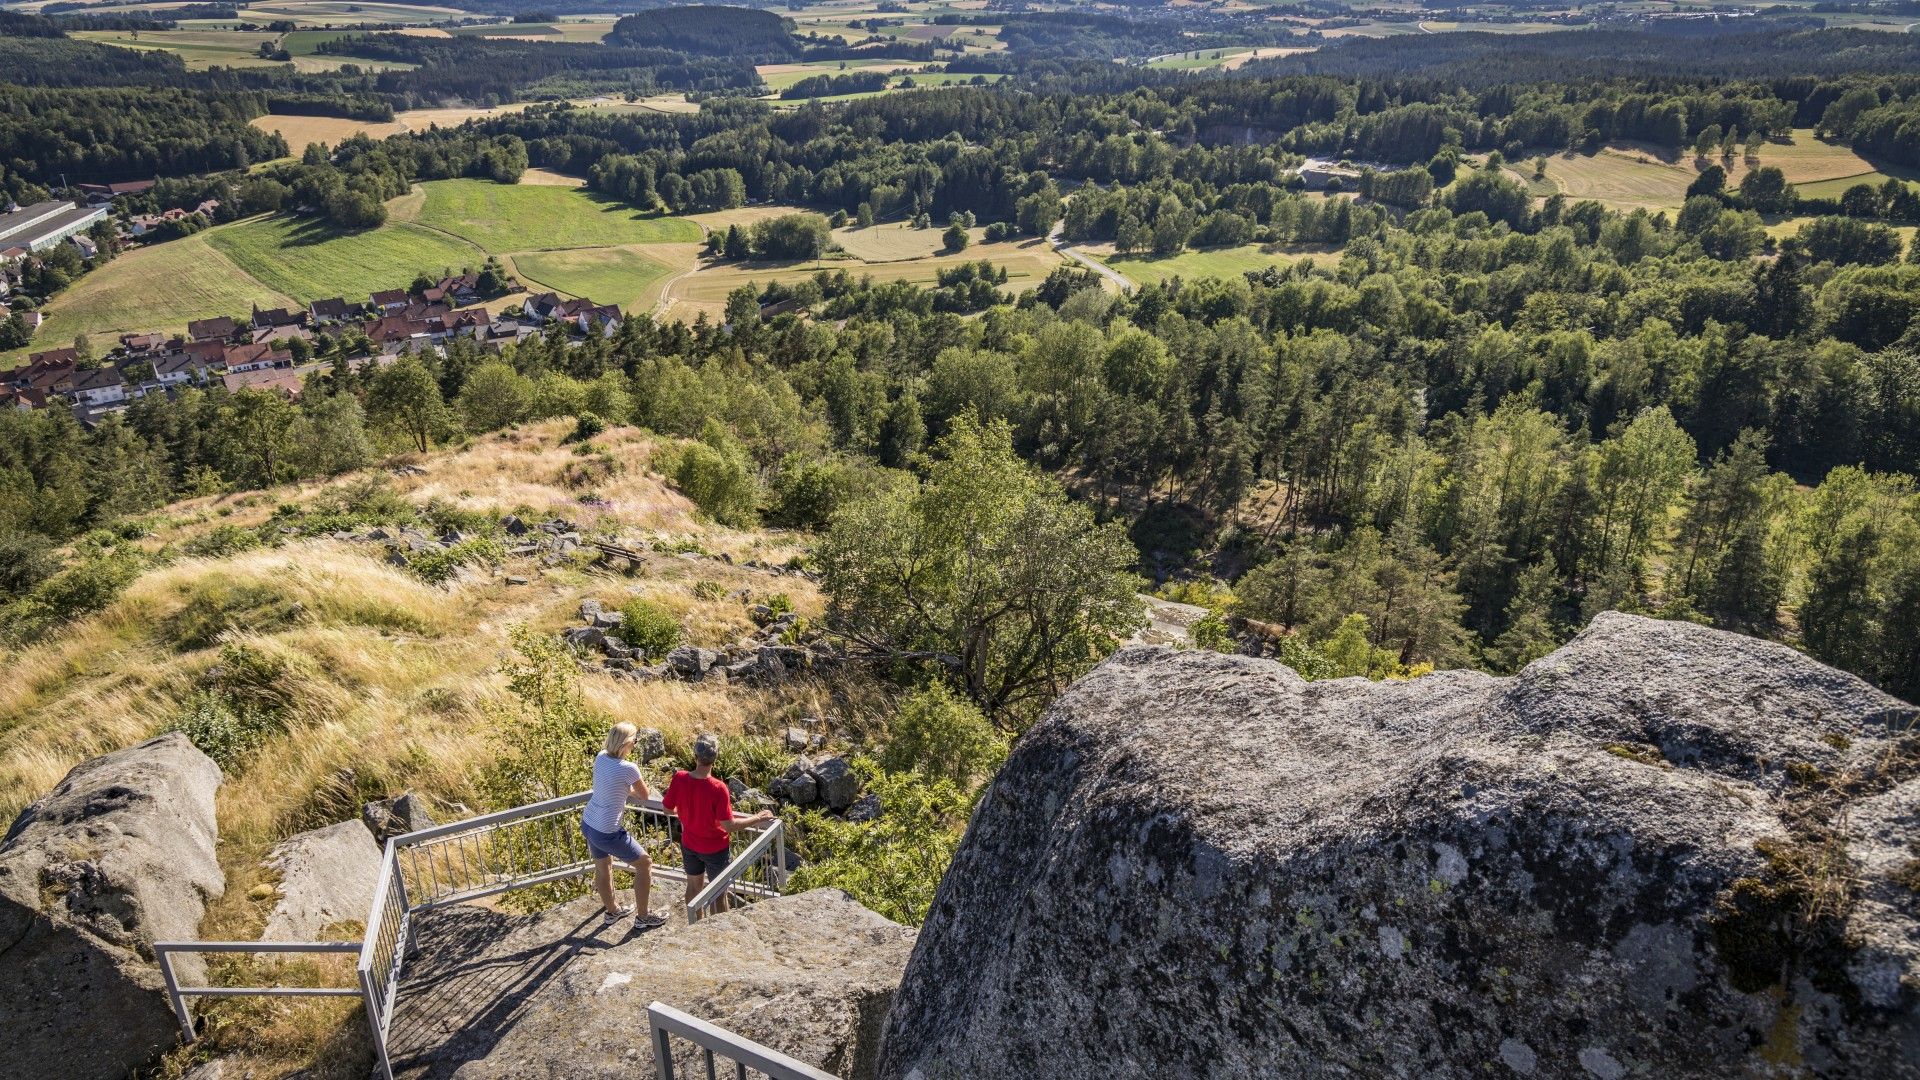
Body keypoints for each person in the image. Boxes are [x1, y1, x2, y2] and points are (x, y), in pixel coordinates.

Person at [662, 733, 774, 915]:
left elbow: (667, 809)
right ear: (715, 758)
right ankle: (719, 930)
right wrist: (758, 818)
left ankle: (695, 925)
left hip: (689, 844)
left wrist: (684, 812)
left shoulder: (679, 778)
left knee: (693, 887)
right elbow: (729, 825)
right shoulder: (718, 788)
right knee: (718, 893)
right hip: (715, 850)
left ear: (695, 756)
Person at [580, 722, 658, 925]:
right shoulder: (628, 768)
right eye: (635, 741)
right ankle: (643, 917)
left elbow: (608, 784)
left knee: (603, 867)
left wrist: (622, 791)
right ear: (628, 742)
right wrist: (627, 791)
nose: (635, 745)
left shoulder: (600, 756)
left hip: (589, 822)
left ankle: (613, 911)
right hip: (607, 830)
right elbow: (644, 794)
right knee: (644, 864)